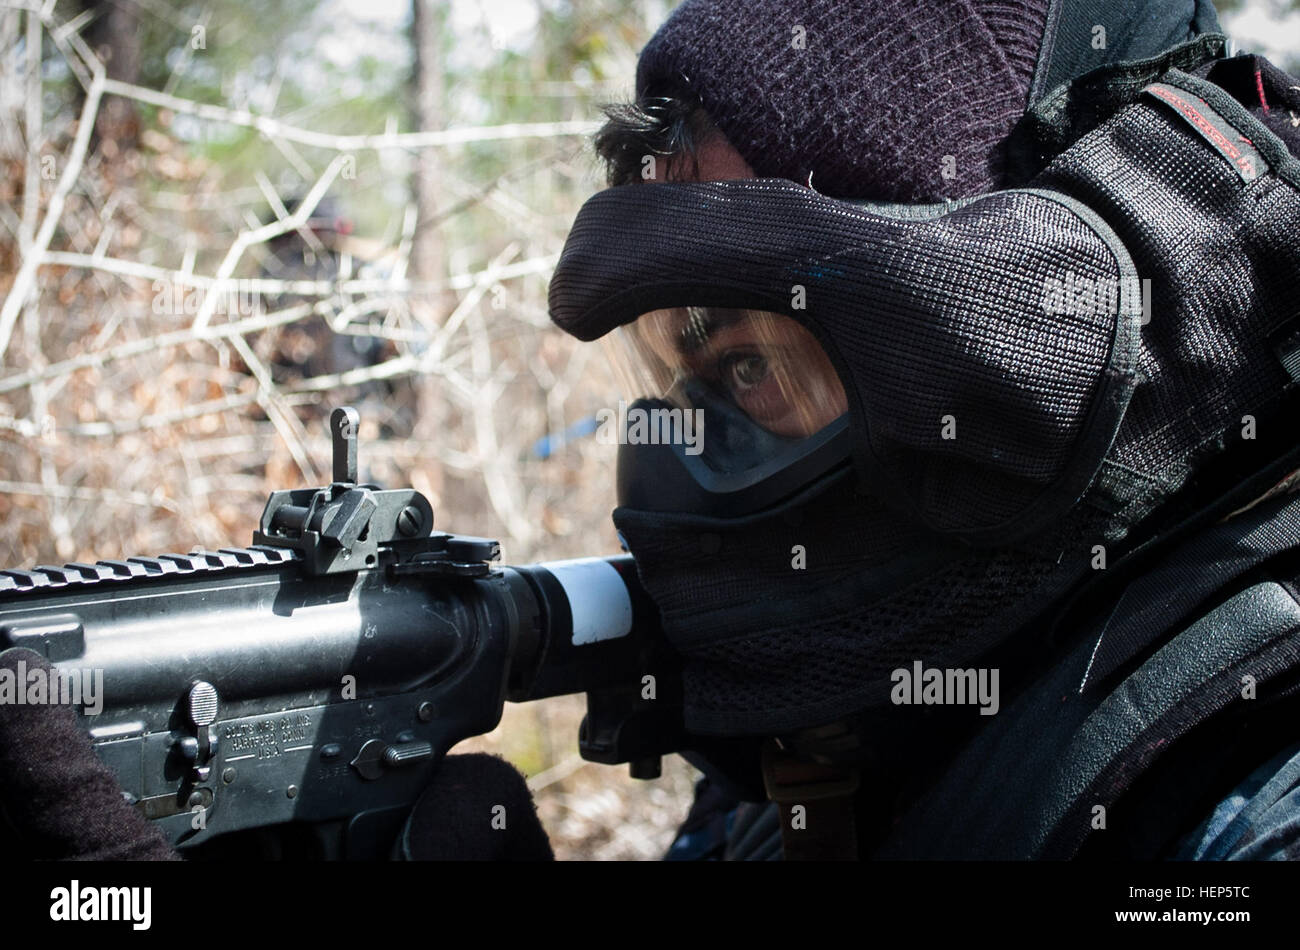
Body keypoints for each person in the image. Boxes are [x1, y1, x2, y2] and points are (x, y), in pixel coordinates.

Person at [5, 0, 1300, 863]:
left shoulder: (1252, 782)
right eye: (681, 369)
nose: (683, 458)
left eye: (754, 363)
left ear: (1019, 332)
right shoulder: (839, 748)